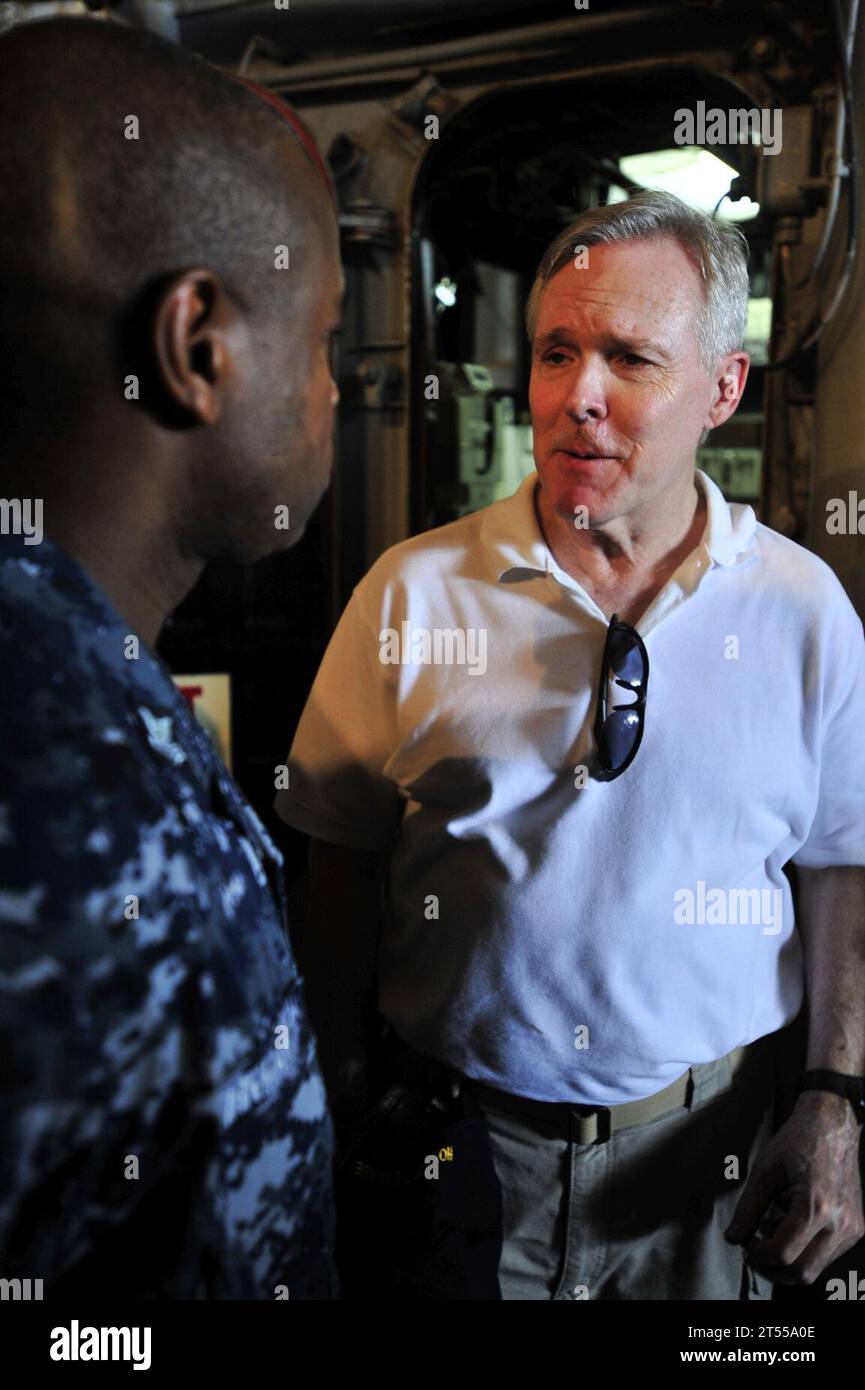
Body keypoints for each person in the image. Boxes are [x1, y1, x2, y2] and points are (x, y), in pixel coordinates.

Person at [275, 189, 865, 1300]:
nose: (575, 398)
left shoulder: (801, 609)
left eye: (629, 359)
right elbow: (337, 861)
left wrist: (833, 1097)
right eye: (555, 352)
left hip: (705, 1173)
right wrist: (339, 1092)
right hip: (455, 1158)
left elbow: (840, 859)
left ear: (721, 390)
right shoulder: (411, 592)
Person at [0, 16, 344, 1299]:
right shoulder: (73, 788)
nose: (329, 392)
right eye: (319, 339)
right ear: (198, 348)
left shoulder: (79, 685)